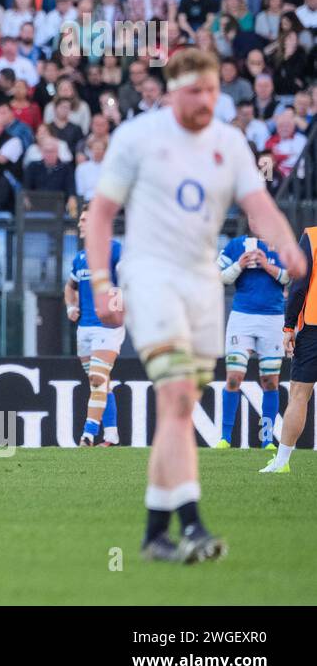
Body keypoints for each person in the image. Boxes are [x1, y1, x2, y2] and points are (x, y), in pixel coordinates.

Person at [86, 49, 305, 563]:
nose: (207, 101)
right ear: (170, 91)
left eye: (213, 91)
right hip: (151, 278)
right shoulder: (137, 138)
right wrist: (101, 284)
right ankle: (193, 525)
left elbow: (259, 208)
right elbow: (99, 216)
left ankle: (154, 534)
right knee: (180, 398)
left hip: (202, 285)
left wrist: (288, 246)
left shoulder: (228, 142)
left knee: (179, 410)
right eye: (195, 92)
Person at [215, 234, 288, 450]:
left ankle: (267, 439)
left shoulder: (283, 244)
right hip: (242, 317)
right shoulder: (236, 245)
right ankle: (225, 438)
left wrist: (267, 266)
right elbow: (217, 277)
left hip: (273, 318)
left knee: (270, 381)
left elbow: (292, 277)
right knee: (234, 377)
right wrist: (239, 265)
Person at [65, 205, 122, 447]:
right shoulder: (80, 257)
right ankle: (111, 436)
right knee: (100, 382)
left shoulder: (115, 250)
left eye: (85, 219)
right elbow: (70, 287)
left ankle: (88, 434)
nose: (80, 224)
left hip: (108, 327)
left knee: (98, 378)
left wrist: (116, 306)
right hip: (85, 329)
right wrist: (70, 307)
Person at [267, 225, 317, 473]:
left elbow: (299, 283)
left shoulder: (313, 235)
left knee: (299, 394)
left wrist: (288, 326)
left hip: (314, 325)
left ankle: (281, 462)